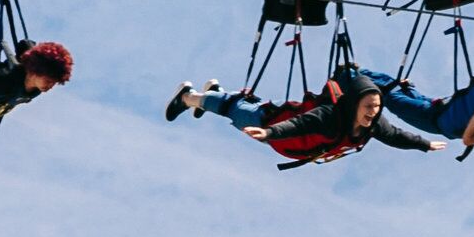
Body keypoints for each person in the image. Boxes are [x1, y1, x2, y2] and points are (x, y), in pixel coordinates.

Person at [164, 68, 446, 167]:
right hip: (275, 130)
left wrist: (424, 144)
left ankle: (217, 93)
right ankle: (189, 96)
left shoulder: (374, 125)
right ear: (354, 104)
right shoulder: (330, 117)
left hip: (297, 147)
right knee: (236, 113)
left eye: (376, 106)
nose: (373, 112)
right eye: (368, 106)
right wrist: (269, 133)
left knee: (239, 107)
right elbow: (299, 124)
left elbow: (396, 136)